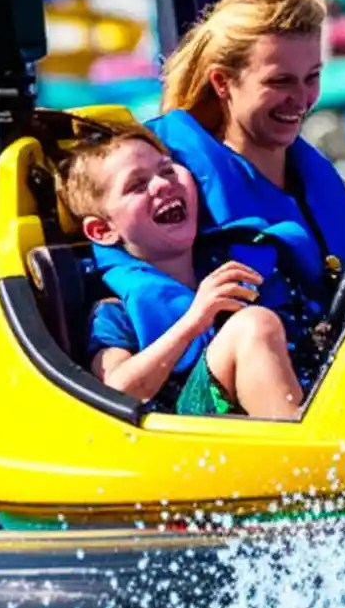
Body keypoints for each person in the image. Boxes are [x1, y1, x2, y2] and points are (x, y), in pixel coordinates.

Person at [59, 123, 319, 420]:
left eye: (168, 170)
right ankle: (303, 456)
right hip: (184, 434)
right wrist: (195, 320)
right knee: (253, 324)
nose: (162, 184)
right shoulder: (114, 313)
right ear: (103, 230)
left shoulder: (234, 262)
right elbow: (115, 390)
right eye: (137, 185)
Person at [149, 0, 345, 296]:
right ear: (222, 82)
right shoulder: (175, 192)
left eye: (311, 77)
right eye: (280, 82)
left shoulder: (335, 192)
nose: (301, 99)